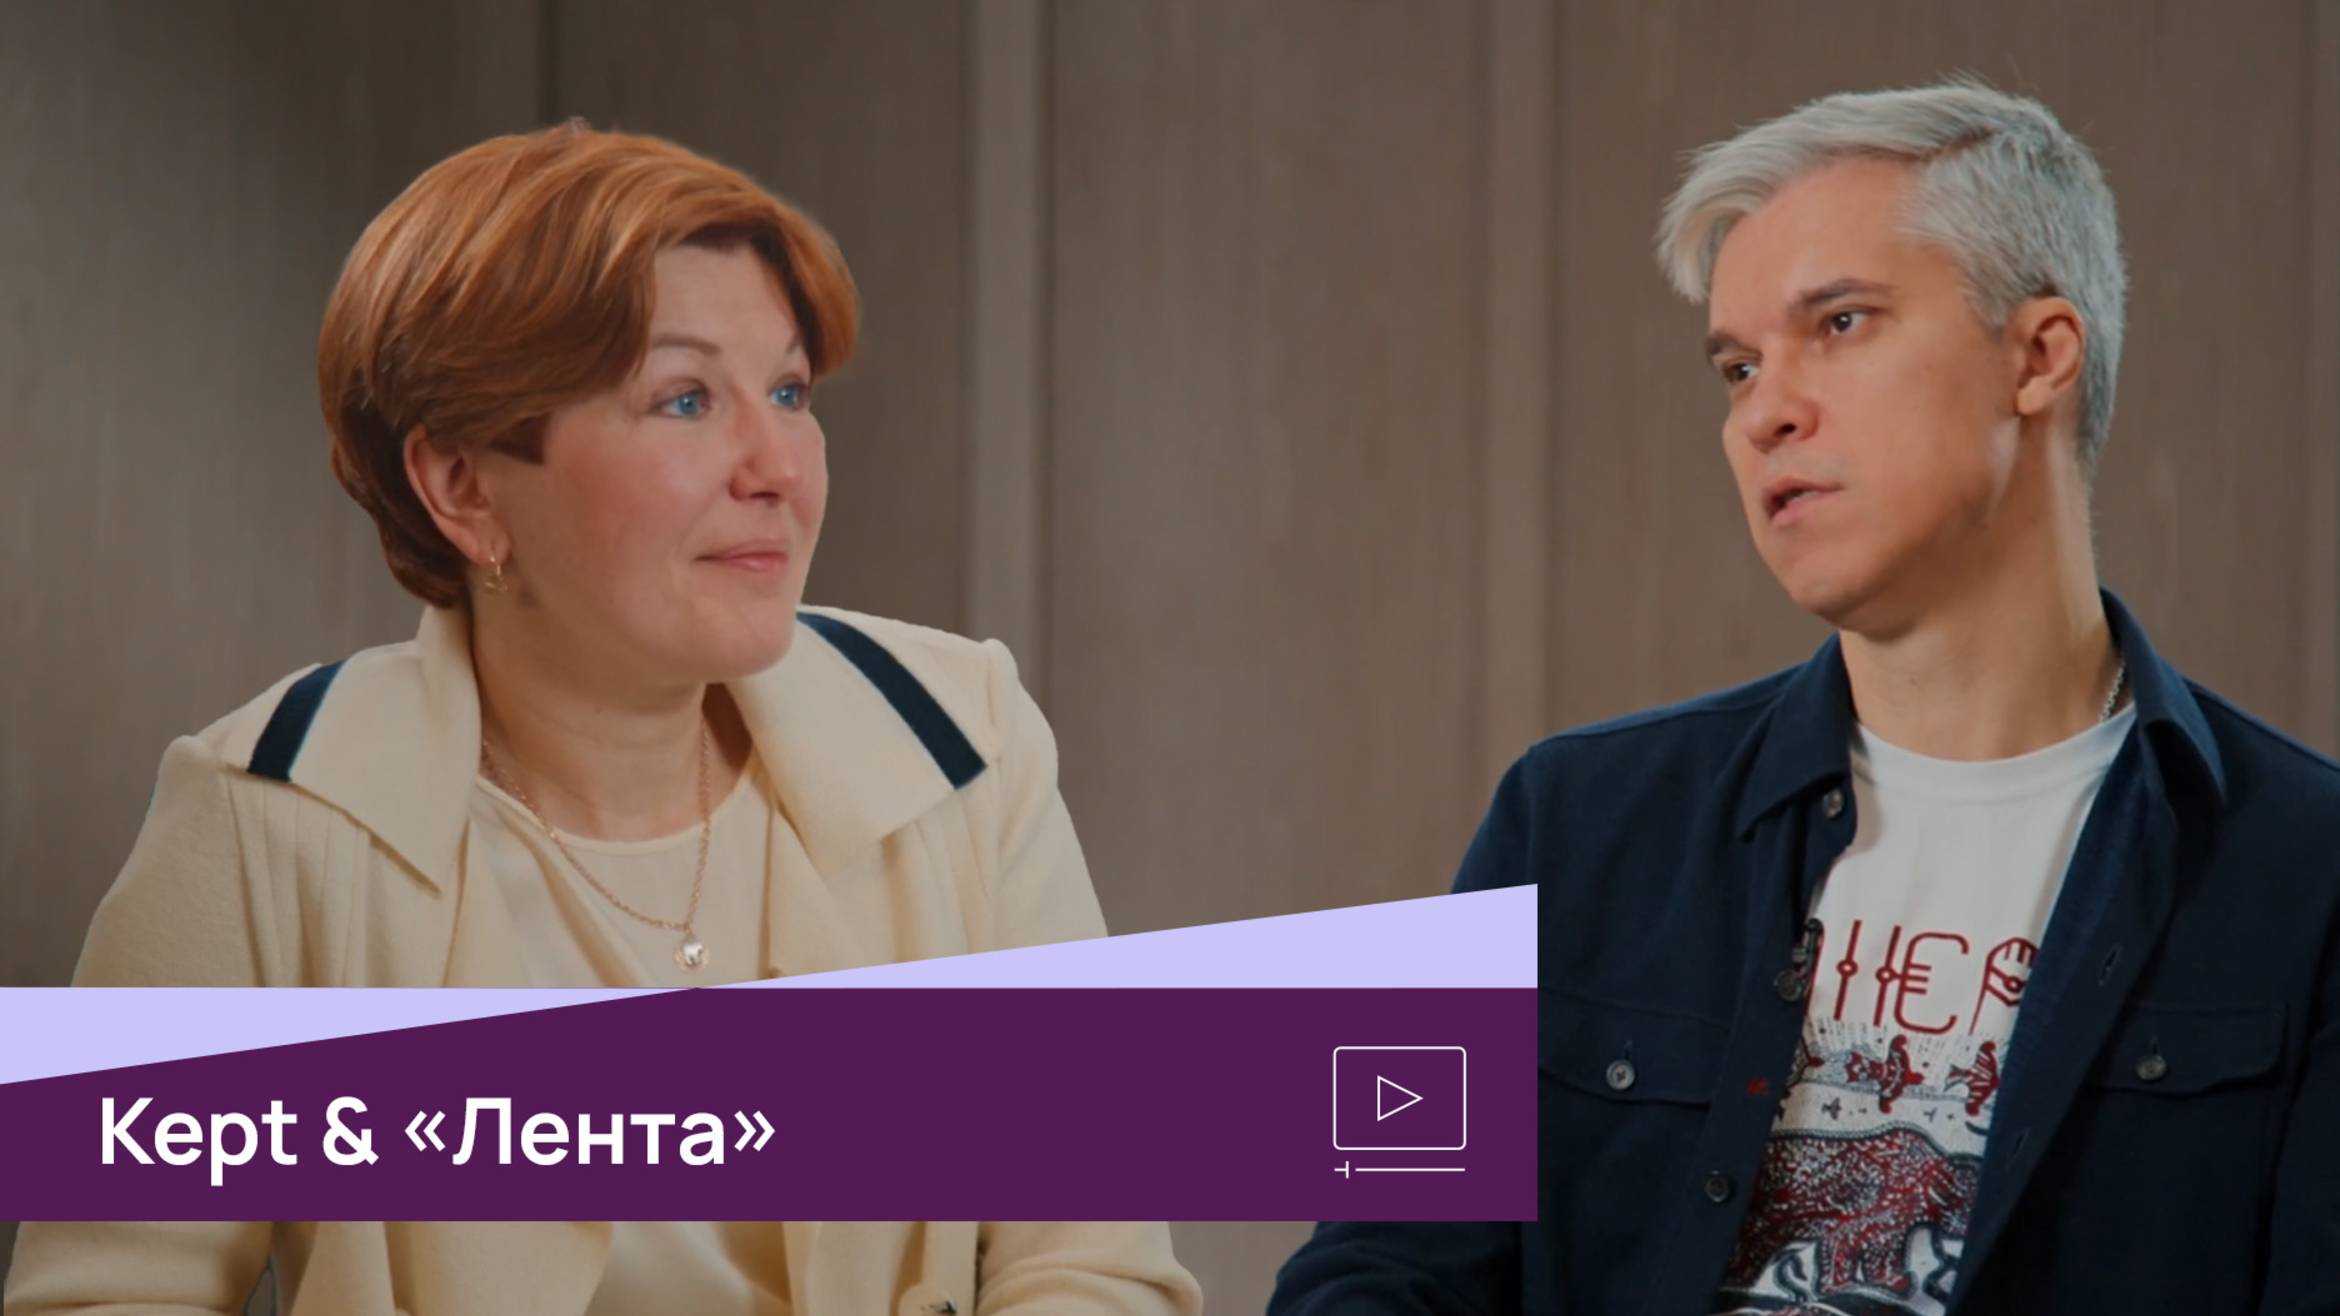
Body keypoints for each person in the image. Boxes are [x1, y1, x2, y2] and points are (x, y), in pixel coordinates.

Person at [5, 122, 1200, 1316]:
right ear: (463, 484)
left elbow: (1093, 1263)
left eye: (788, 391)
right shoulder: (262, 818)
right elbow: (104, 1299)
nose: (777, 465)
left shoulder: (964, 741)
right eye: (685, 399)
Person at [1271, 79, 2340, 1314]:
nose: (1763, 413)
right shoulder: (1565, 821)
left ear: (2038, 356)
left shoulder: (2307, 874)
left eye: (1838, 322)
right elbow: (1368, 1269)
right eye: (1738, 366)